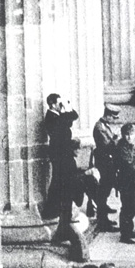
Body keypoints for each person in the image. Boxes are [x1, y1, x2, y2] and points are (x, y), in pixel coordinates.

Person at [43, 93, 79, 224]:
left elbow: (74, 116)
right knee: (59, 182)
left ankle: (61, 212)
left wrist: (67, 107)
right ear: (52, 104)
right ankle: (54, 210)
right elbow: (64, 124)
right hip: (59, 155)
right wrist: (65, 111)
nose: (60, 106)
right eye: (59, 103)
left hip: (64, 154)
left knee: (62, 183)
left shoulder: (58, 116)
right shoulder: (51, 117)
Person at [113, 123, 135, 244]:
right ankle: (125, 234)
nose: (129, 137)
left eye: (131, 134)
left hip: (133, 181)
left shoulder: (130, 146)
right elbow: (129, 164)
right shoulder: (122, 148)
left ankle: (129, 230)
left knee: (133, 207)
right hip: (126, 181)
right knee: (127, 207)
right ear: (123, 135)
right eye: (127, 135)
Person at [91, 104, 120, 231]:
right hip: (104, 162)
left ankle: (105, 218)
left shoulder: (104, 125)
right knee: (103, 192)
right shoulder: (99, 127)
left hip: (107, 161)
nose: (113, 121)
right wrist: (115, 139)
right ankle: (103, 222)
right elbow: (106, 146)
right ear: (108, 115)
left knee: (106, 190)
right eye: (113, 118)